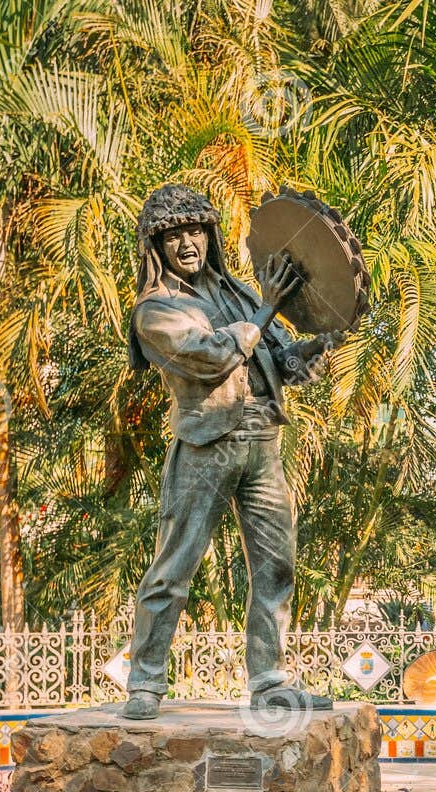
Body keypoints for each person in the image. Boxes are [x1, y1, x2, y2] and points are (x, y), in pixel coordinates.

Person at [120, 184, 336, 719]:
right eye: (173, 235)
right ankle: (145, 681)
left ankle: (269, 682)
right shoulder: (156, 309)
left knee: (275, 567)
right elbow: (212, 356)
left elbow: (273, 359)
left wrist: (305, 352)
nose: (187, 243)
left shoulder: (239, 293)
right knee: (176, 567)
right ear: (157, 245)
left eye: (195, 230)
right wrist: (266, 311)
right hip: (206, 446)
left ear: (210, 234)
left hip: (264, 442)